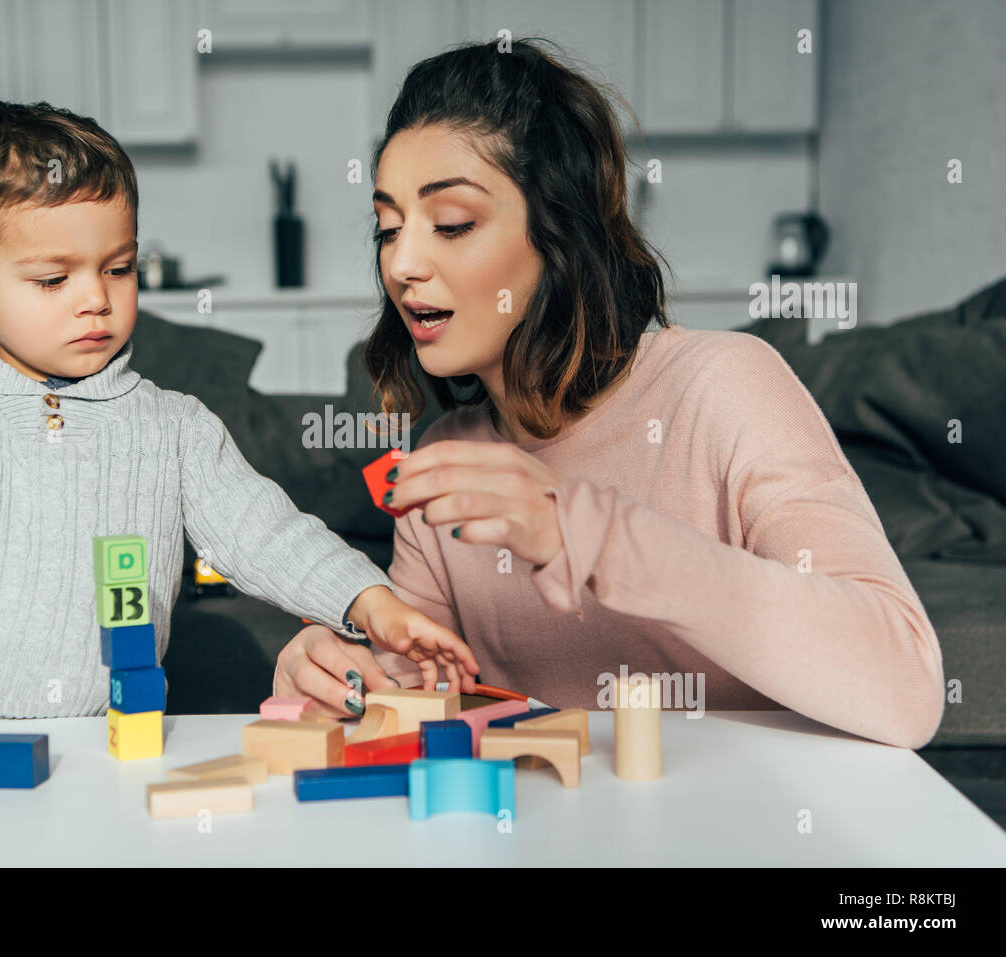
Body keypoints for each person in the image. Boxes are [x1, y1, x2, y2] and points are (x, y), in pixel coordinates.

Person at [273, 40, 944, 749]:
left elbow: (908, 688)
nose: (402, 263)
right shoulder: (444, 461)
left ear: (559, 227)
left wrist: (596, 535)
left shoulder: (726, 386)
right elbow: (420, 689)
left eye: (451, 224)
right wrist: (340, 676)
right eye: (388, 228)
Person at [0, 97, 479, 719]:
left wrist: (369, 599)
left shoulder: (175, 427)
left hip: (104, 728)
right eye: (53, 279)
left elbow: (266, 534)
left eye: (118, 267)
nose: (96, 299)